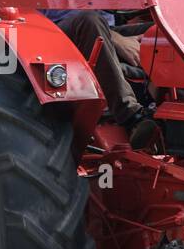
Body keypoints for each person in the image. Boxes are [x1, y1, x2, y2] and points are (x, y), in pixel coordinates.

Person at [47, 10, 158, 149]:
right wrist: (116, 39)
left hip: (106, 28)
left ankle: (175, 117)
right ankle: (132, 118)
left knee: (164, 30)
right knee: (90, 20)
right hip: (55, 31)